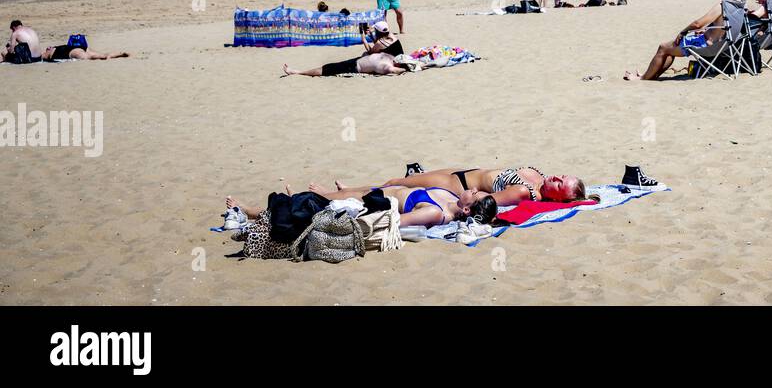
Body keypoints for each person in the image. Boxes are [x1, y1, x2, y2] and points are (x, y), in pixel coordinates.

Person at [624, 0, 740, 81]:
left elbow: (697, 24)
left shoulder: (722, 6)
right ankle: (651, 75)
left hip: (705, 45)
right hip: (720, 46)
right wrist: (707, 30)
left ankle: (643, 78)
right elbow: (724, 27)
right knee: (669, 50)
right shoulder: (737, 8)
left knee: (663, 48)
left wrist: (683, 32)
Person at [244, 182, 497, 229]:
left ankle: (253, 212)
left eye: (474, 195)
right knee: (316, 197)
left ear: (466, 210)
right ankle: (299, 196)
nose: (473, 189)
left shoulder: (435, 212)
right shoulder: (450, 197)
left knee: (309, 204)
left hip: (370, 205)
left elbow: (395, 223)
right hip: (376, 193)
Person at [376, 165, 587, 209]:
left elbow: (490, 200)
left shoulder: (525, 192)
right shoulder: (539, 178)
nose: (556, 178)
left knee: (395, 183)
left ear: (557, 199)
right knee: (410, 178)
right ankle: (353, 190)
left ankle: (352, 192)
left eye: (560, 184)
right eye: (562, 176)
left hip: (457, 184)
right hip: (466, 170)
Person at [282, 22, 404, 77]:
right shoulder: (392, 38)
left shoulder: (382, 46)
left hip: (360, 64)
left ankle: (298, 72)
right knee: (331, 67)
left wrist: (364, 38)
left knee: (329, 68)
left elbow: (373, 51)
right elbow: (379, 47)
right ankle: (298, 72)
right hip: (378, 60)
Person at [42, 38, 129, 62]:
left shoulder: (47, 53)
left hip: (72, 52)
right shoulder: (54, 48)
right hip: (80, 47)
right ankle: (118, 54)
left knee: (90, 57)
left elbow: (39, 57)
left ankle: (108, 57)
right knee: (101, 54)